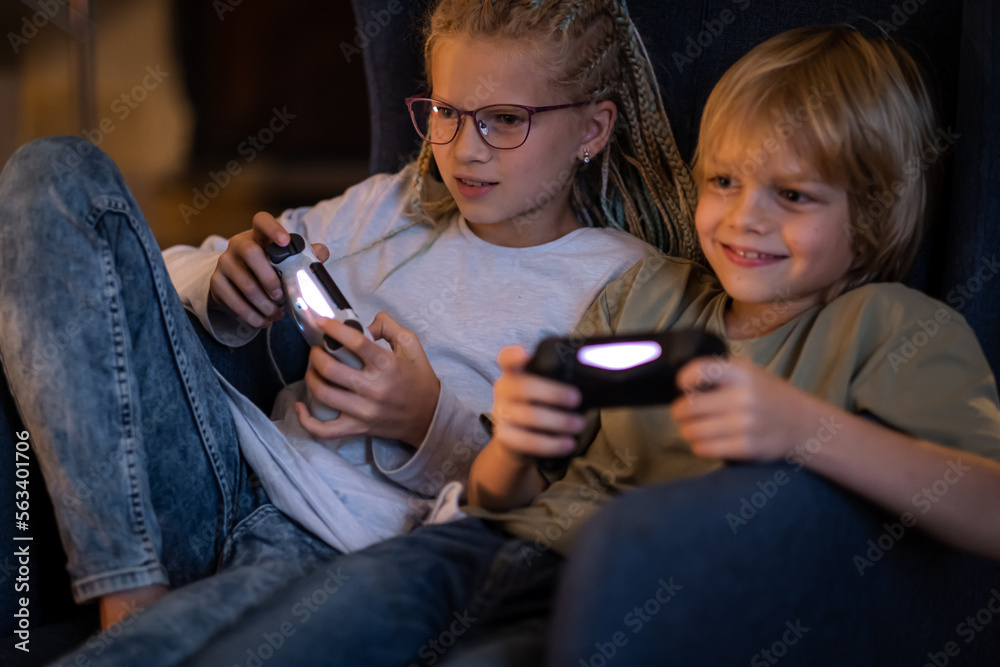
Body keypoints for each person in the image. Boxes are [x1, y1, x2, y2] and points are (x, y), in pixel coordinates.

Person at [178, 25, 1000, 667]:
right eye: (722, 182)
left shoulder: (889, 324)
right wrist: (519, 444)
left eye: (791, 194)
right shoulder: (650, 294)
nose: (744, 218)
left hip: (613, 585)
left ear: (873, 210)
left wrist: (801, 430)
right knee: (296, 640)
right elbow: (502, 489)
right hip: (484, 542)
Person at [0, 0, 698, 659]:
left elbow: (566, 495)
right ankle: (127, 581)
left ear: (592, 129)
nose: (464, 149)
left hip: (333, 546)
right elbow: (155, 267)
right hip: (222, 468)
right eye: (446, 112)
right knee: (51, 170)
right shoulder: (390, 206)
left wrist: (424, 420)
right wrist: (221, 285)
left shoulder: (630, 283)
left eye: (505, 120)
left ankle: (138, 617)